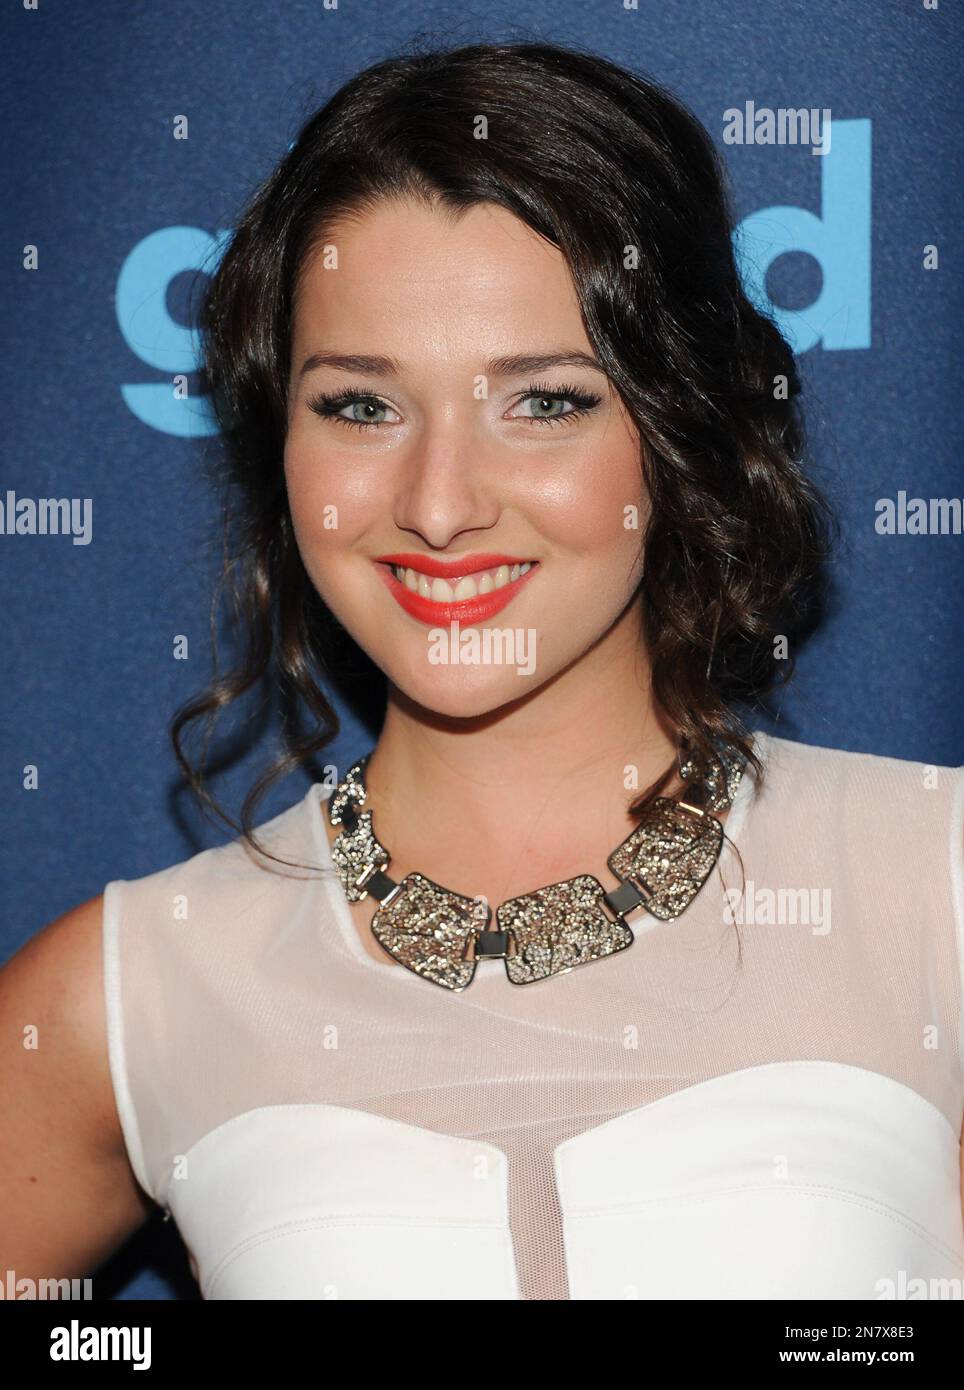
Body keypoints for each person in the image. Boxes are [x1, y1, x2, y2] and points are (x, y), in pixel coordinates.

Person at [3, 40, 962, 1302]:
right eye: (360, 405)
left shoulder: (933, 889)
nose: (439, 504)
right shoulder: (127, 992)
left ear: (676, 428)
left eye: (544, 401)